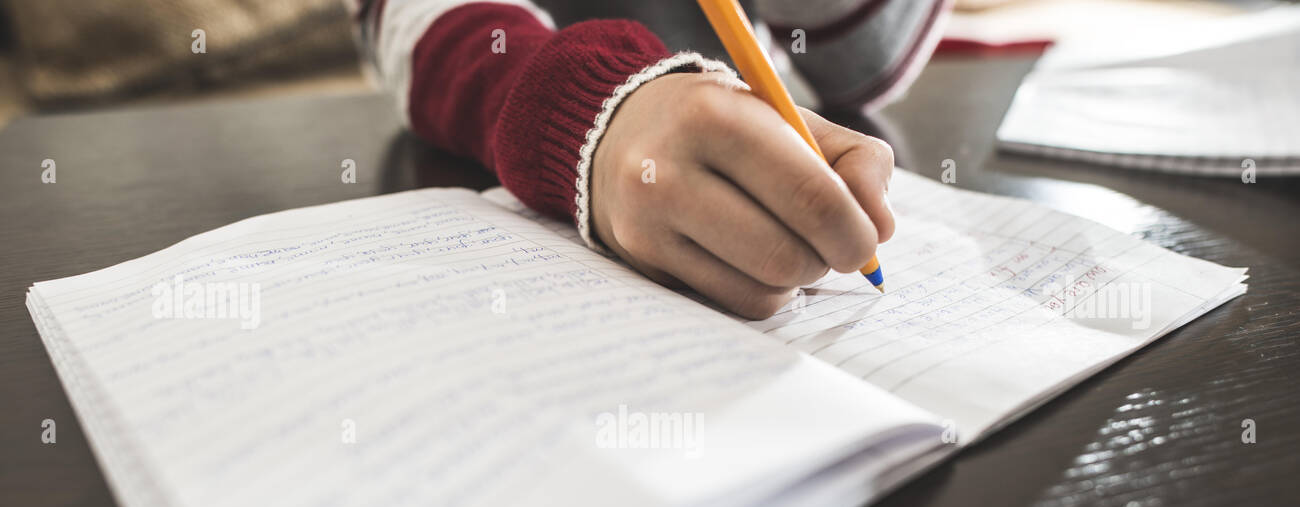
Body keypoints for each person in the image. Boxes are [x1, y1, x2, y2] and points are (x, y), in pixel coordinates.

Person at [346, 0, 951, 318]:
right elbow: (415, 17)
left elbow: (860, 58)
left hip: (773, 113)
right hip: (595, 134)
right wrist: (590, 102)